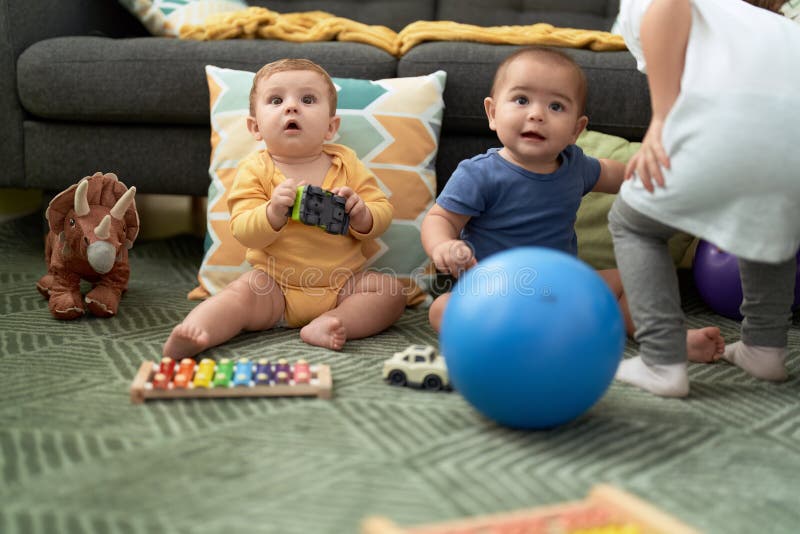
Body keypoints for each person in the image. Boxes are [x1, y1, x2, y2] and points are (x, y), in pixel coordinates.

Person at [420, 46, 725, 363]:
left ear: (576, 131)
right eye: (522, 100)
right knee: (442, 309)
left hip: (562, 289)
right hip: (496, 296)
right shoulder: (479, 174)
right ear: (493, 113)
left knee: (627, 279)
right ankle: (510, 342)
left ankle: (667, 340)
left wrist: (651, 176)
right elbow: (440, 218)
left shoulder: (574, 166)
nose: (537, 114)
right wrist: (442, 246)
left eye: (556, 106)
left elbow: (611, 172)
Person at [610, 0, 800, 397]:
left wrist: (663, 118)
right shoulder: (767, 22)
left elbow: (667, 5)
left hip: (728, 128)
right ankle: (764, 348)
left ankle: (661, 360)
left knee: (634, 224)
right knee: (767, 224)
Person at [164, 58, 406, 357]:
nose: (291, 107)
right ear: (255, 128)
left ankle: (332, 322)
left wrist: (362, 214)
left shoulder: (347, 162)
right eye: (276, 100)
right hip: (275, 285)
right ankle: (198, 330)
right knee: (239, 294)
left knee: (391, 292)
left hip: (345, 283)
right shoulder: (255, 169)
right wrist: (272, 212)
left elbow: (382, 212)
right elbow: (243, 230)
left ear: (331, 127)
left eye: (307, 99)